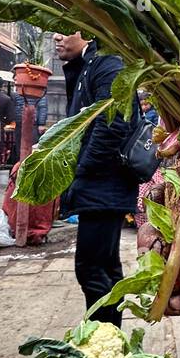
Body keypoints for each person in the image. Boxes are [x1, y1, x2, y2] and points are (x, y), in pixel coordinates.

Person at [54, 31, 139, 325]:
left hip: (104, 183)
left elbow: (112, 125)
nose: (56, 37)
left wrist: (82, 170)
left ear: (86, 33)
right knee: (105, 265)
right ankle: (110, 337)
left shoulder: (107, 64)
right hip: (101, 184)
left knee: (91, 268)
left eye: (64, 31)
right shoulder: (89, 65)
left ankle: (102, 337)